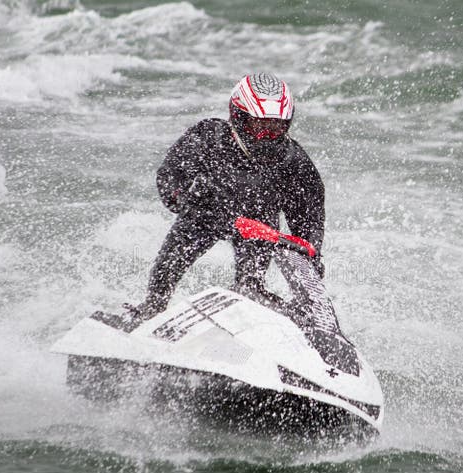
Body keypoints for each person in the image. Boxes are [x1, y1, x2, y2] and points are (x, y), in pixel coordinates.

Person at [98, 73, 325, 331]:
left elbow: (309, 221)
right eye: (259, 126)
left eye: (276, 128)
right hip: (205, 215)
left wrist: (312, 255)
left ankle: (291, 323)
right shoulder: (209, 137)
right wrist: (182, 201)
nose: (267, 137)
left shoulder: (294, 163)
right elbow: (170, 175)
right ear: (238, 116)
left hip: (258, 227)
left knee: (249, 290)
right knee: (163, 279)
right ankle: (148, 313)